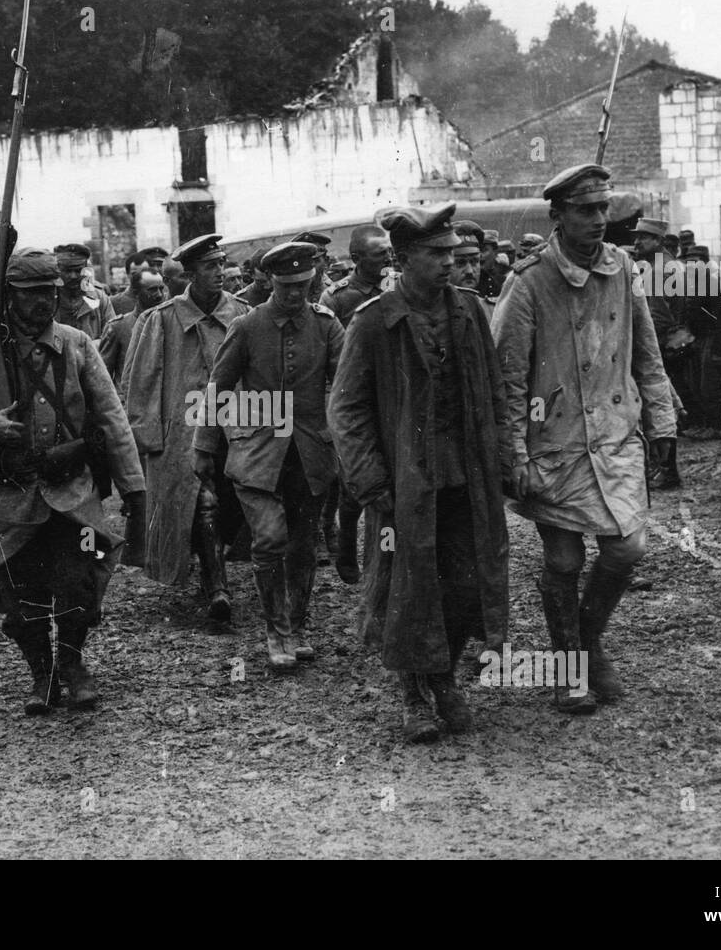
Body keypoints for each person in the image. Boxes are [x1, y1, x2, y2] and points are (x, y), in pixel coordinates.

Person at [493, 165, 676, 714]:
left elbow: (646, 352)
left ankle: (589, 641)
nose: (598, 220)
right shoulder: (527, 282)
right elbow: (507, 380)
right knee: (565, 560)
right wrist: (515, 454)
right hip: (556, 443)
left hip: (616, 438)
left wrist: (662, 421)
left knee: (627, 548)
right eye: (585, 210)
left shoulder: (623, 269)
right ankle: (570, 660)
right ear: (558, 216)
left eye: (602, 210)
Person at [330, 202, 514, 744]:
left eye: (452, 254)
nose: (449, 263)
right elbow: (347, 409)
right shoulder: (373, 321)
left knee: (465, 583)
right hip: (404, 483)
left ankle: (445, 675)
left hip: (466, 475)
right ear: (405, 259)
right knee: (407, 589)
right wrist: (372, 481)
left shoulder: (470, 312)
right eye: (436, 254)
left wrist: (503, 458)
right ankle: (414, 693)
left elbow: (496, 390)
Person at [0, 250, 145, 714]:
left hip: (72, 491)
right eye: (31, 294)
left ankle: (73, 667)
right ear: (9, 295)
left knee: (79, 585)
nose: (42, 303)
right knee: (21, 599)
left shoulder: (76, 344)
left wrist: (133, 486)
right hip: (11, 496)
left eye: (49, 293)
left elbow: (112, 417)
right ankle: (43, 676)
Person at [195, 242, 343, 670]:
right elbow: (218, 387)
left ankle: (295, 626)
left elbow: (349, 383)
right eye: (286, 285)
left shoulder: (327, 326)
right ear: (270, 281)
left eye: (304, 284)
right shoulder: (247, 326)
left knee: (301, 544)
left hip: (310, 451)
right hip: (258, 450)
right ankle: (275, 629)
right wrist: (204, 445)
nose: (296, 293)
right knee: (270, 539)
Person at [122, 234, 249, 622]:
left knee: (230, 504)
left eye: (222, 264)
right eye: (210, 267)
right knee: (202, 501)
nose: (220, 273)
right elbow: (139, 382)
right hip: (183, 434)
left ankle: (215, 565)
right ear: (191, 273)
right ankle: (218, 589)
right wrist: (148, 442)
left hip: (237, 427)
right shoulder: (160, 319)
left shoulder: (243, 314)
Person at [319, 225, 391, 583]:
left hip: (389, 395)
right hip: (352, 398)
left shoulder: (396, 287)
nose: (389, 259)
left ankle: (385, 555)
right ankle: (347, 547)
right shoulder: (338, 298)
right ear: (358, 259)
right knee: (351, 482)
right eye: (381, 254)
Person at [630, 217, 685, 488]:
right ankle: (663, 467)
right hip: (672, 342)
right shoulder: (666, 264)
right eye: (637, 237)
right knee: (664, 405)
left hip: (659, 345)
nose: (637, 242)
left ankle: (666, 469)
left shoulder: (657, 270)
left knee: (658, 406)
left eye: (643, 238)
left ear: (658, 241)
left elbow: (657, 316)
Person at [679, 245, 721, 440]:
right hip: (698, 338)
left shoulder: (717, 284)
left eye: (696, 261)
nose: (691, 264)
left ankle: (714, 426)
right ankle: (702, 424)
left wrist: (719, 348)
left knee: (711, 385)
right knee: (696, 384)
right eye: (688, 261)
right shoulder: (690, 284)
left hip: (714, 338)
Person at [100, 268, 165, 390]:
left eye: (161, 288)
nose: (159, 295)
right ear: (136, 293)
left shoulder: (169, 323)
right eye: (152, 290)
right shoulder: (118, 326)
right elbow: (104, 375)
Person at [55, 243, 115, 340]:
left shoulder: (99, 297)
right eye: (67, 271)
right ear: (58, 270)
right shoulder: (50, 297)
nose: (73, 276)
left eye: (78, 271)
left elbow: (112, 336)